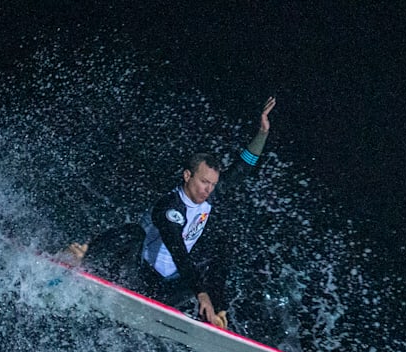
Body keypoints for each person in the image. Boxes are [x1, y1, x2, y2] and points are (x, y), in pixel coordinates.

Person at [66, 97, 276, 329]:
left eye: (213, 184)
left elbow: (242, 169)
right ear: (188, 175)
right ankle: (84, 257)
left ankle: (218, 312)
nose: (208, 189)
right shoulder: (169, 207)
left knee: (223, 250)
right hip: (135, 274)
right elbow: (178, 250)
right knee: (133, 232)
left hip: (166, 289)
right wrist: (201, 293)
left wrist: (262, 133)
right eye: (204, 182)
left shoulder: (210, 195)